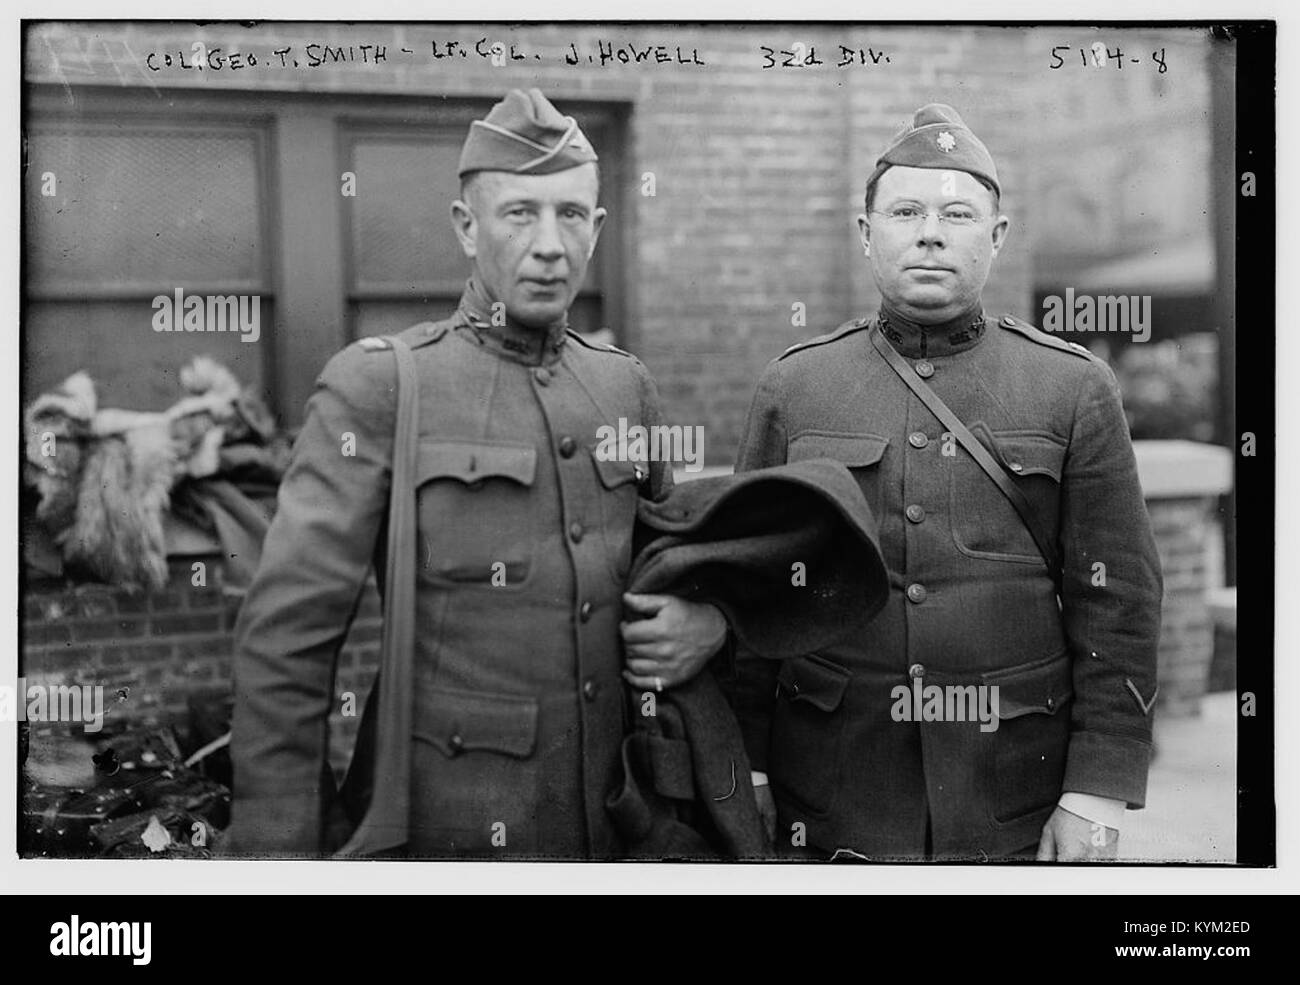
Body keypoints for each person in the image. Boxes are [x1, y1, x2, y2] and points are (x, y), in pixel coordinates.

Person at [226, 88, 726, 859]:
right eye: (520, 213)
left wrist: (707, 624)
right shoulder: (383, 385)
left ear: (596, 228)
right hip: (447, 829)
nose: (550, 244)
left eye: (570, 215)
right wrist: (279, 851)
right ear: (467, 227)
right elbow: (287, 643)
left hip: (615, 824)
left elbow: (679, 568)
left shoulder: (626, 387)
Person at [731, 104, 1163, 861]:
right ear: (865, 233)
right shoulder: (796, 388)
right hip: (832, 790)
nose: (930, 232)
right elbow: (753, 596)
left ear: (996, 236)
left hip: (1014, 791)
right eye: (904, 211)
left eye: (957, 213)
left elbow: (1117, 601)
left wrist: (1094, 790)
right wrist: (751, 770)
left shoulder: (1071, 388)